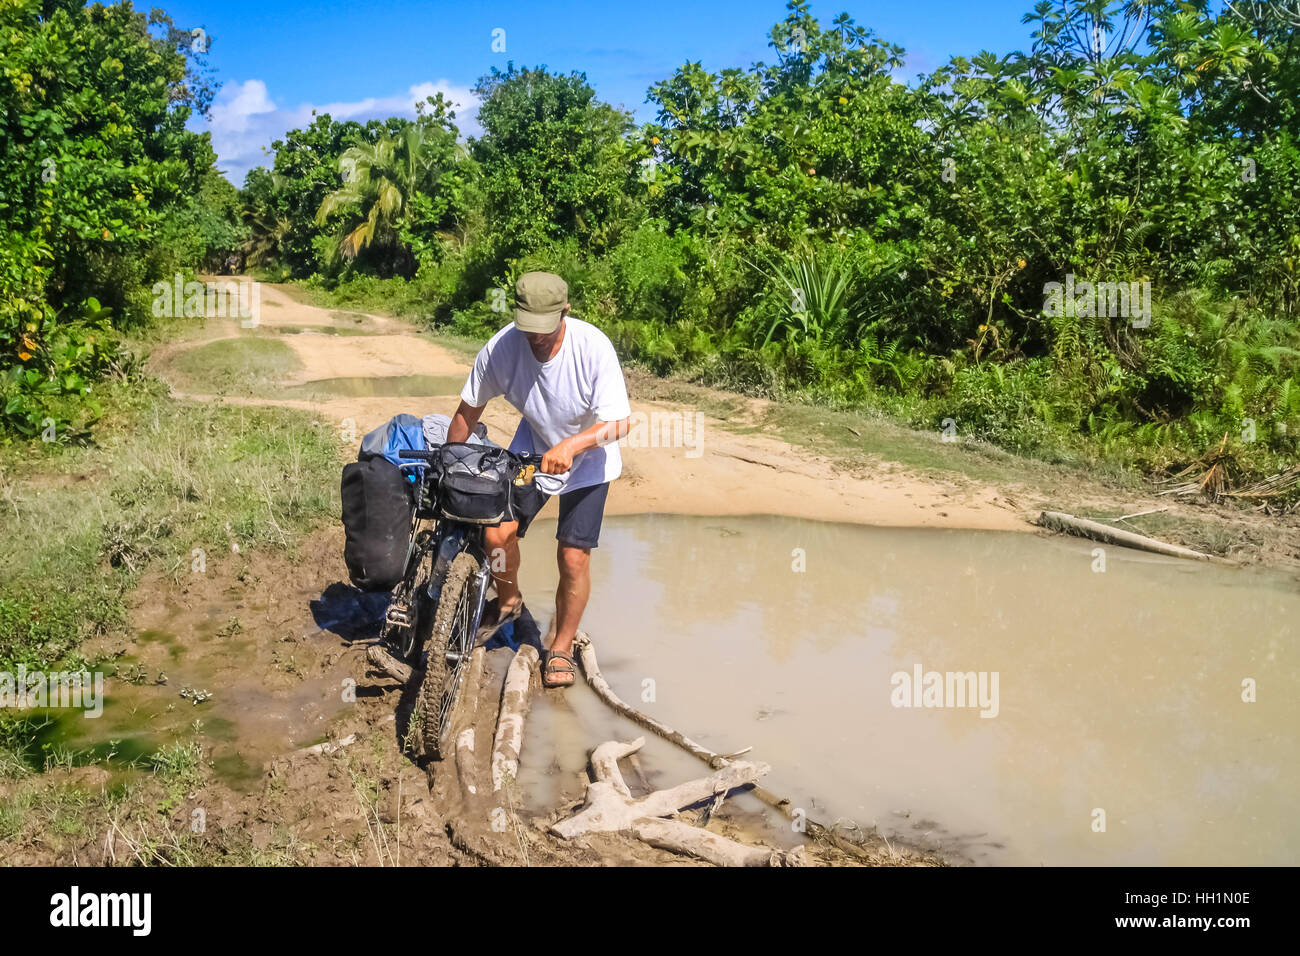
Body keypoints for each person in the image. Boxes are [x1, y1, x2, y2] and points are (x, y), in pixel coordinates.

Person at [445, 272, 631, 688]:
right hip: (532, 452)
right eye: (527, 329)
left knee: (572, 557)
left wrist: (571, 446)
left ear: (565, 312)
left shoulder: (592, 348)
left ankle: (561, 646)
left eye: (543, 330)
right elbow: (467, 413)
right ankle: (509, 601)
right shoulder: (502, 348)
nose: (535, 339)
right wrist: (449, 463)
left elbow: (620, 423)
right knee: (496, 534)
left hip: (589, 460)